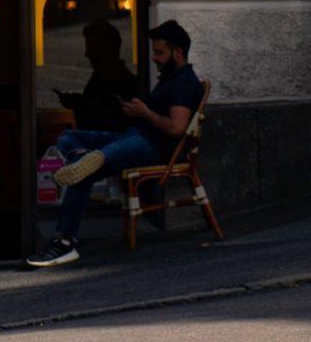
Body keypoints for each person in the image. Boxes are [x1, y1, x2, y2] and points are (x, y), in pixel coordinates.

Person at [25, 20, 201, 269]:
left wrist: (144, 113)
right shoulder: (170, 79)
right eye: (154, 52)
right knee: (68, 138)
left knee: (84, 171)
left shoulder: (183, 83)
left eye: (160, 52)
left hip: (151, 147)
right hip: (132, 136)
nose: (154, 58)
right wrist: (135, 112)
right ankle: (85, 159)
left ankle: (64, 242)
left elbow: (176, 128)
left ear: (178, 52)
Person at [56, 19, 141, 131]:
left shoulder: (121, 83)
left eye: (90, 47)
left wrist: (79, 103)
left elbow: (107, 121)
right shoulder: (100, 78)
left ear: (105, 49)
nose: (87, 54)